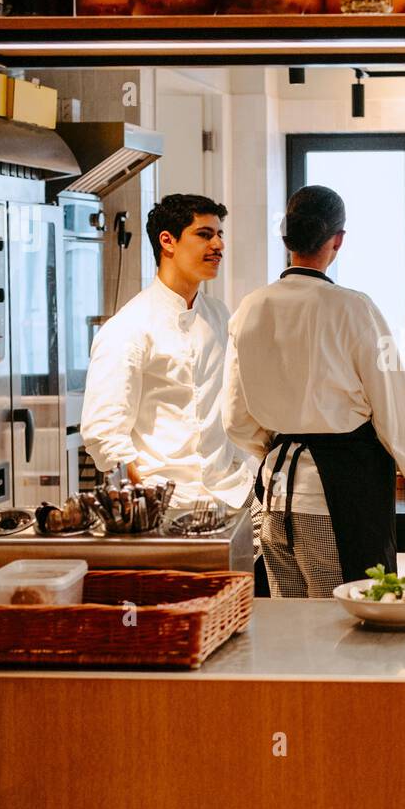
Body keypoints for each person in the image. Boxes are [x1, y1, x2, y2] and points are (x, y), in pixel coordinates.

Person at [222, 185, 405, 599]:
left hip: (273, 500)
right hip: (335, 501)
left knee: (288, 631)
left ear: (286, 238)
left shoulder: (250, 308)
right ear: (338, 240)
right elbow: (395, 407)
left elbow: (236, 418)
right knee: (341, 629)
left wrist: (277, 447)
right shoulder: (353, 308)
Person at [81, 193, 260, 549]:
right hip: (169, 512)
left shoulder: (219, 315)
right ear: (168, 241)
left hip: (232, 500)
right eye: (205, 234)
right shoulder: (128, 327)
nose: (218, 245)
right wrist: (151, 502)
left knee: (238, 602)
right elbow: (104, 434)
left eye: (220, 234)